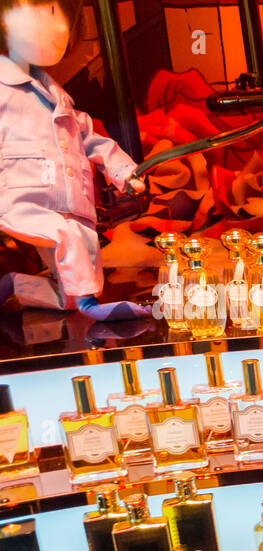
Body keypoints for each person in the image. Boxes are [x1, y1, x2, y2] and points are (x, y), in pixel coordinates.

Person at [0, 0, 149, 320]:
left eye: (64, 16)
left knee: (74, 284)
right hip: (21, 197)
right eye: (43, 10)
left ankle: (17, 287)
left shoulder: (56, 94)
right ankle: (91, 308)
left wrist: (122, 170)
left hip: (70, 200)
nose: (60, 28)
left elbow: (88, 135)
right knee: (65, 238)